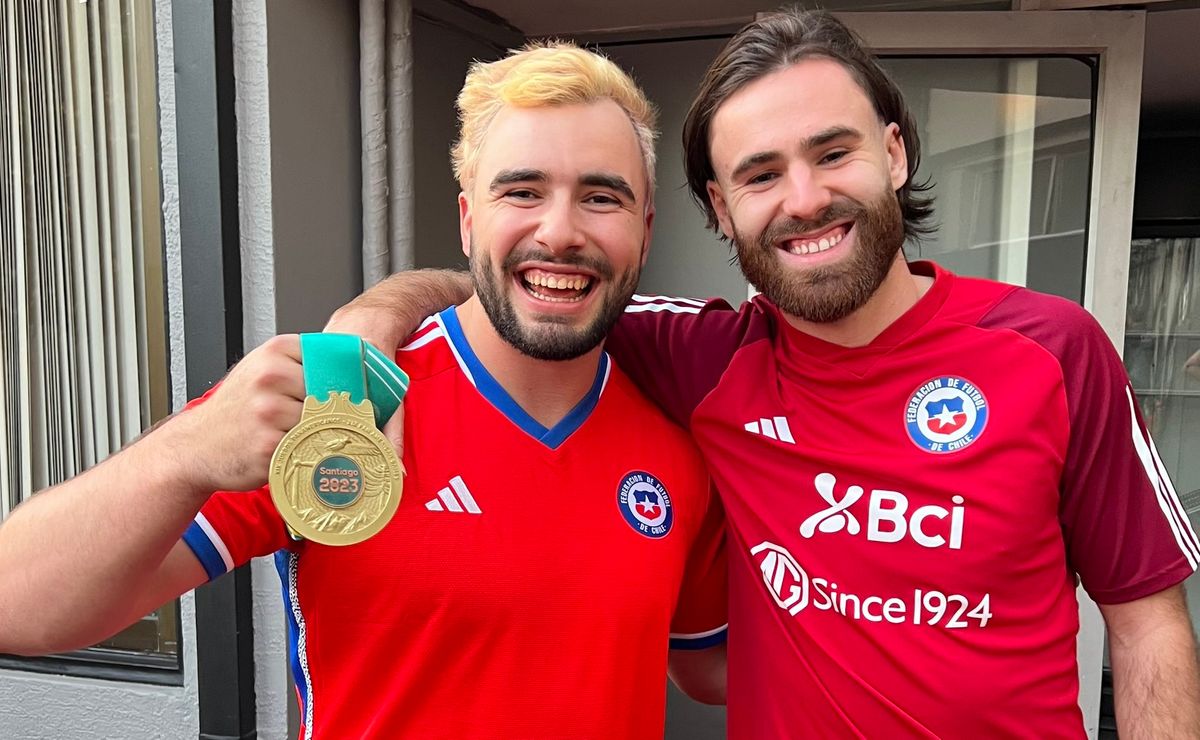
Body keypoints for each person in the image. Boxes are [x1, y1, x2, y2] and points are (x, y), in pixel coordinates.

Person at [330, 9, 1200, 738]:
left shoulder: (1054, 351)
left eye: (833, 153)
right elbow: (537, 284)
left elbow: (1147, 625)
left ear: (894, 154)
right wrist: (373, 318)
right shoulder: (703, 357)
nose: (804, 198)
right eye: (760, 174)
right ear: (721, 206)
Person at [0, 43, 728, 739]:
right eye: (522, 192)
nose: (560, 231)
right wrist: (183, 452)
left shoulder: (678, 435)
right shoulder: (341, 399)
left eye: (601, 197)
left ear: (645, 229)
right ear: (468, 220)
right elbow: (17, 606)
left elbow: (705, 667)